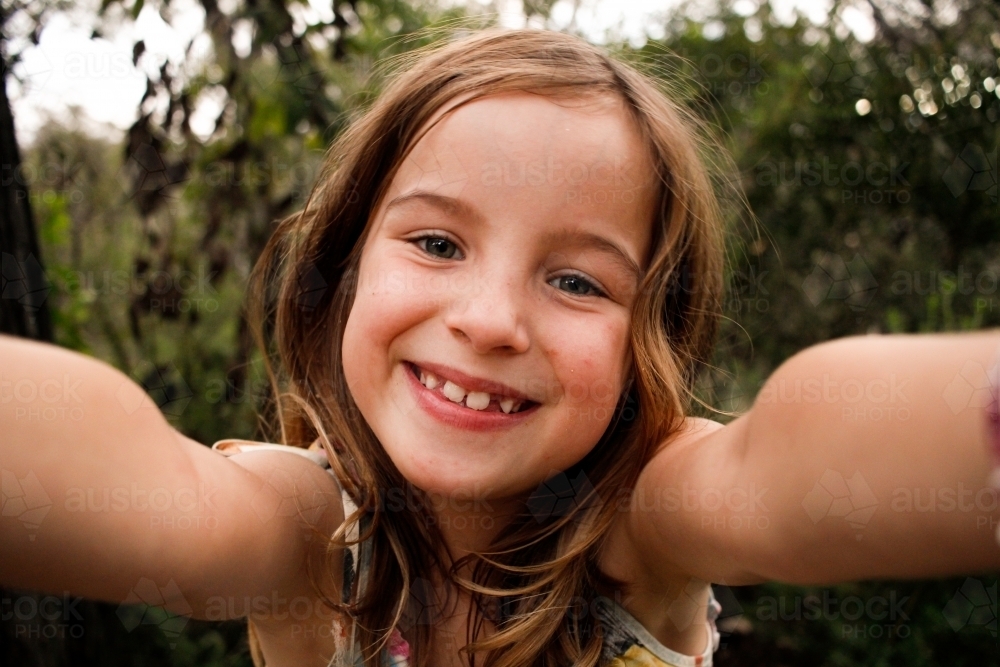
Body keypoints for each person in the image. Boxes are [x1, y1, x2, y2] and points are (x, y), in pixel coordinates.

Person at [2, 27, 999, 667]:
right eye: (437, 244)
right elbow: (151, 490)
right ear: (346, 271)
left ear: (647, 338)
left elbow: (782, 468)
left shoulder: (644, 526)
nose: (489, 320)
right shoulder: (308, 535)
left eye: (577, 281)